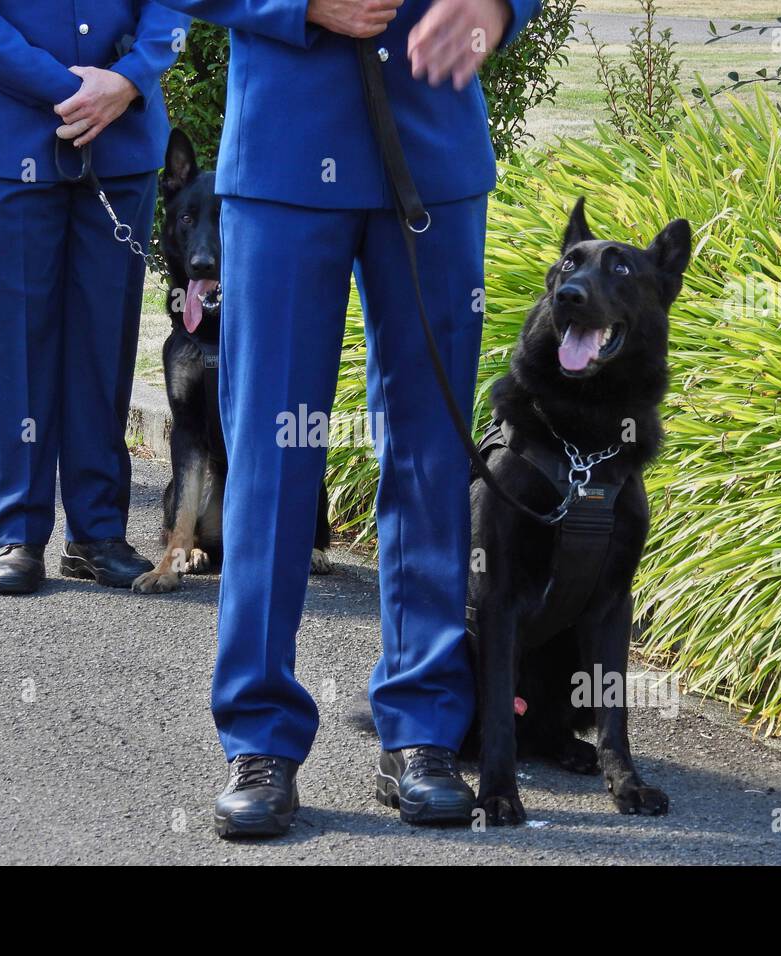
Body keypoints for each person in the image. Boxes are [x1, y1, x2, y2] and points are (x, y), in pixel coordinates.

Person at [149, 0, 540, 836]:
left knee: (431, 454)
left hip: (431, 149)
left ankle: (425, 727)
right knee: (270, 459)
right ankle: (259, 737)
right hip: (287, 156)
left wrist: (499, 8)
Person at [0, 0, 190, 595]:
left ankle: (97, 533)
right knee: (19, 340)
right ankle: (18, 531)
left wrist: (126, 80)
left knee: (104, 344)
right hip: (16, 136)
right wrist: (70, 89)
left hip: (123, 139)